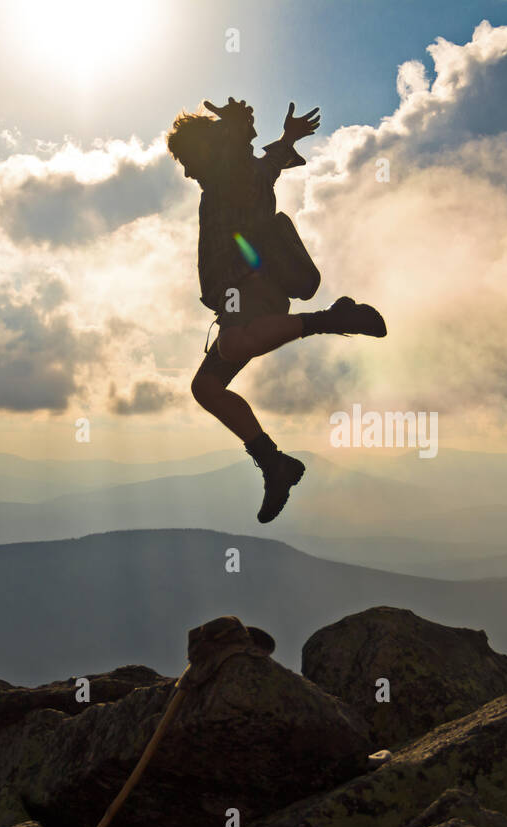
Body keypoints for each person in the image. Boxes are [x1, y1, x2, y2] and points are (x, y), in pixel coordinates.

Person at [168, 97, 386, 523]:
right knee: (206, 389)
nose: (188, 171)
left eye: (188, 160)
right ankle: (275, 464)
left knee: (233, 344)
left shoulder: (226, 174)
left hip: (251, 286)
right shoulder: (237, 176)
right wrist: (284, 138)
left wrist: (233, 126)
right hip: (236, 295)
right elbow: (264, 164)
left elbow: (241, 154)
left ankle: (332, 319)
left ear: (206, 151)